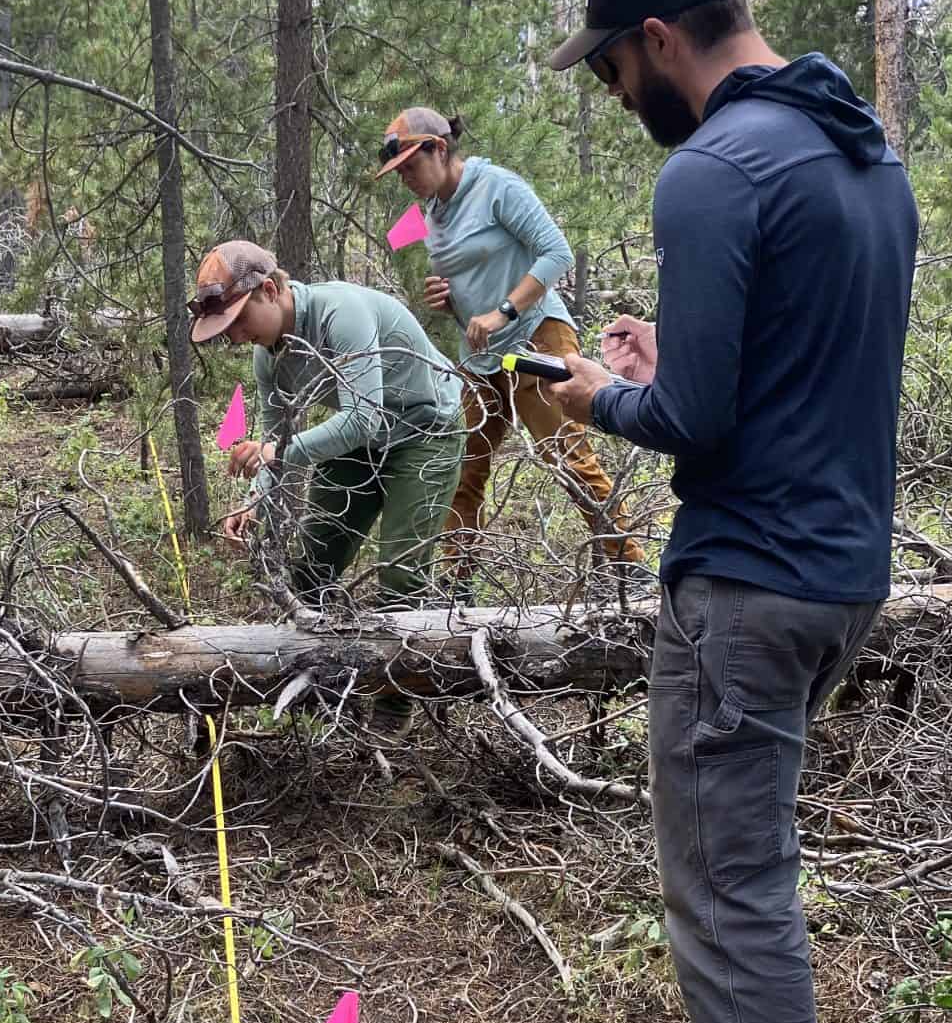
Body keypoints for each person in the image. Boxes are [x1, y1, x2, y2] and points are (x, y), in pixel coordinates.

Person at [546, 0, 919, 1023]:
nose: (616, 95)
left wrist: (605, 393)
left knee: (725, 880)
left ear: (657, 43)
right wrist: (672, 362)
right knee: (741, 864)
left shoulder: (713, 173)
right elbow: (803, 365)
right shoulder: (860, 152)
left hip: (747, 588)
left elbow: (696, 422)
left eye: (612, 70)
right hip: (842, 573)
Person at [189, 239, 464, 730]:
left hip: (426, 432)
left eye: (239, 323)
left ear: (270, 290)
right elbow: (279, 438)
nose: (236, 338)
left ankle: (395, 702)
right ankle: (315, 679)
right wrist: (257, 502)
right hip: (363, 441)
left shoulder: (343, 312)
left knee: (400, 573)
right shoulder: (268, 357)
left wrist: (273, 452)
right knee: (313, 568)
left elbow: (361, 416)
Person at [376, 109, 640, 579]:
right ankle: (459, 587)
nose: (406, 180)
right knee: (465, 470)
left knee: (567, 457)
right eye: (398, 173)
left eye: (410, 167)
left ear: (439, 149)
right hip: (479, 358)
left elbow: (556, 252)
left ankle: (630, 575)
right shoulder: (433, 211)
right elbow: (468, 276)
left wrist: (504, 310)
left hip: (536, 336)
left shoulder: (497, 186)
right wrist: (445, 297)